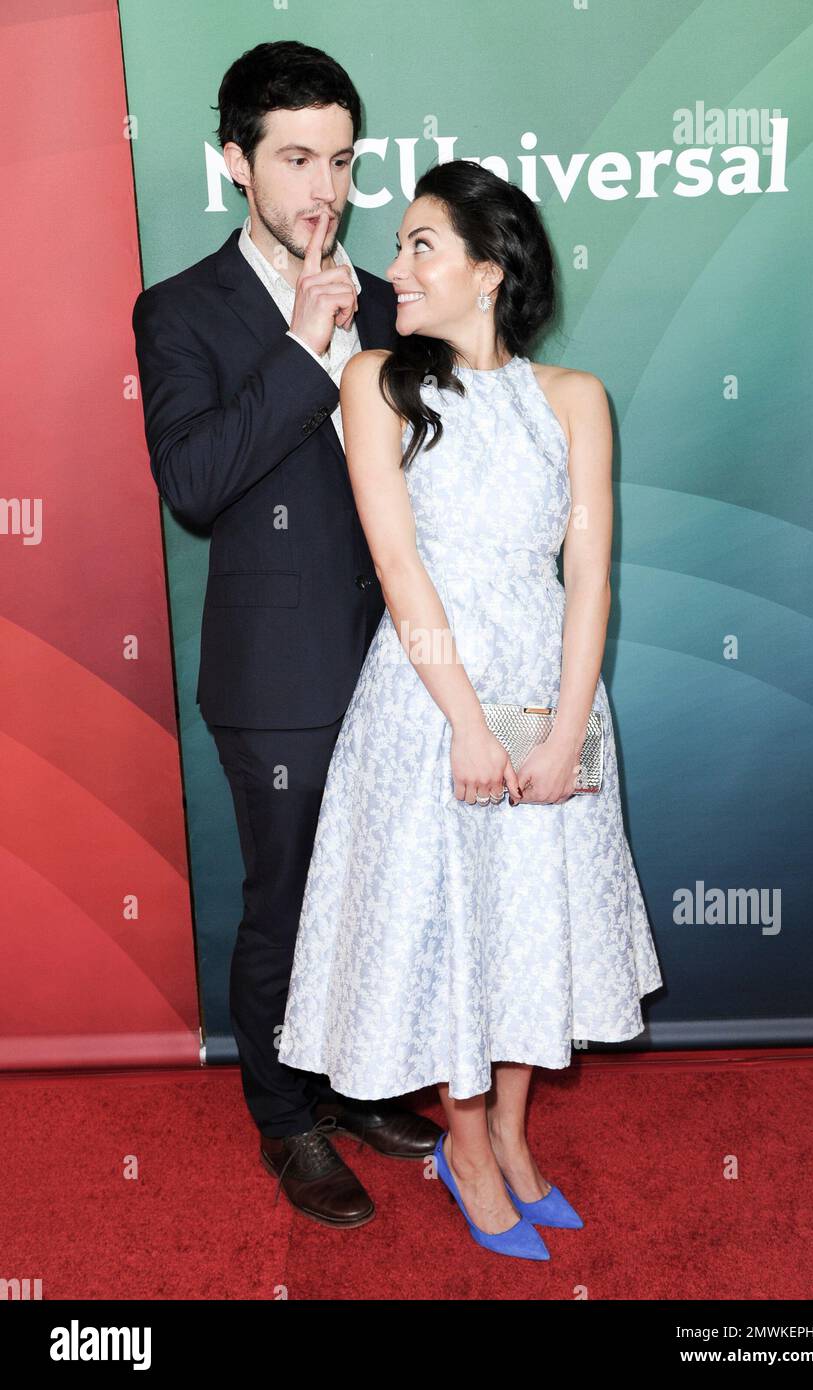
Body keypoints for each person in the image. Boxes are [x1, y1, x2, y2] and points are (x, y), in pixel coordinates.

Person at [277, 158, 664, 1260]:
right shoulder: (374, 383)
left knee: (532, 922)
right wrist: (469, 723)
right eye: (396, 245)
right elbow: (399, 567)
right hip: (429, 699)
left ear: (489, 273)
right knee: (454, 928)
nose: (391, 266)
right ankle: (466, 1144)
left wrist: (566, 725)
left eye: (418, 247)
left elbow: (589, 575)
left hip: (552, 690)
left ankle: (509, 1129)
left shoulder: (575, 398)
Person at [132, 40, 442, 1233]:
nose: (324, 188)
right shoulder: (183, 311)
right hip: (278, 671)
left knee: (377, 889)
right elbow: (196, 484)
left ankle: (349, 1080)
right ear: (235, 163)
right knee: (290, 898)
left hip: (398, 658)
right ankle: (285, 1115)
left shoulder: (389, 294)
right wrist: (304, 347)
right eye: (296, 158)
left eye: (343, 160)